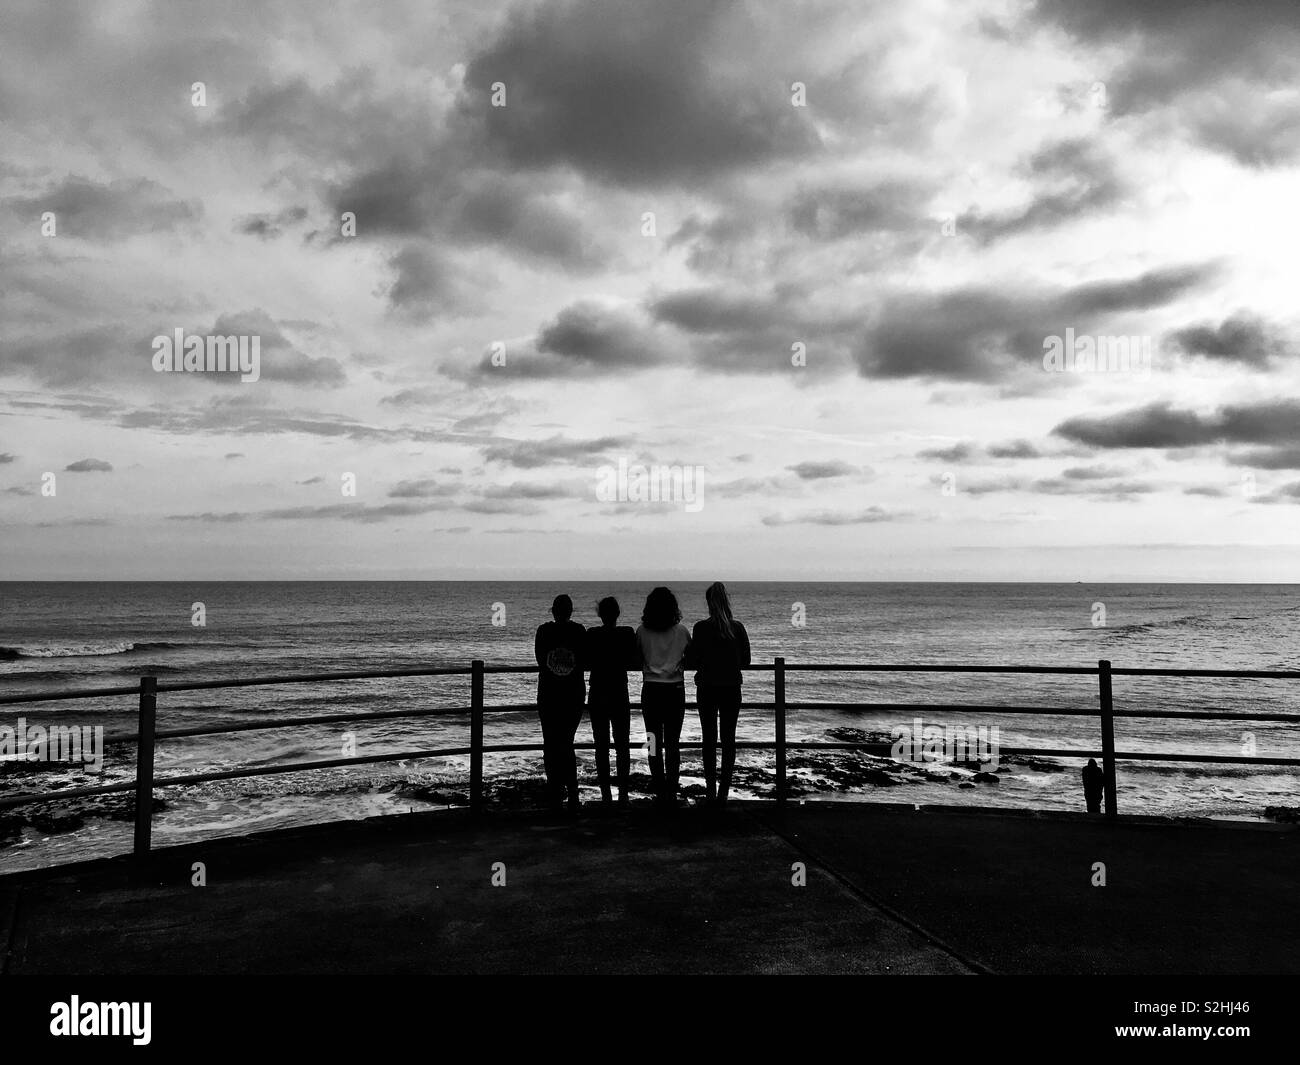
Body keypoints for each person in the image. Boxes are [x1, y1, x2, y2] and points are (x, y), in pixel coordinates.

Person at [690, 582, 751, 804]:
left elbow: (693, 658)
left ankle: (710, 788)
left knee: (708, 739)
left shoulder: (701, 628)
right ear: (727, 601)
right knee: (728, 739)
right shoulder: (738, 628)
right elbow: (747, 660)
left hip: (707, 688)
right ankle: (724, 788)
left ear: (708, 603)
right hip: (732, 688)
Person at [635, 586, 691, 811]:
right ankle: (671, 789)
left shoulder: (641, 631)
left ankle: (658, 787)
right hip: (675, 689)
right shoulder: (682, 631)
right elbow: (692, 654)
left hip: (651, 690)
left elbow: (636, 655)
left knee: (653, 742)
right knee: (673, 743)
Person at [584, 597, 638, 805]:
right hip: (618, 691)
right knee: (622, 745)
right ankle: (623, 794)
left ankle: (605, 794)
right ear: (618, 614)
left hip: (598, 692)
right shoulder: (626, 633)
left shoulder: (592, 634)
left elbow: (586, 659)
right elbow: (634, 659)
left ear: (600, 614)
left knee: (601, 746)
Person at [534, 594, 586, 811]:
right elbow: (585, 658)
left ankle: (554, 791)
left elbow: (540, 659)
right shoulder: (579, 631)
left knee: (551, 743)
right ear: (571, 611)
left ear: (553, 611)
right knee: (567, 743)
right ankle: (573, 793)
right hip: (573, 694)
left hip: (548, 693)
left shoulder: (544, 631)